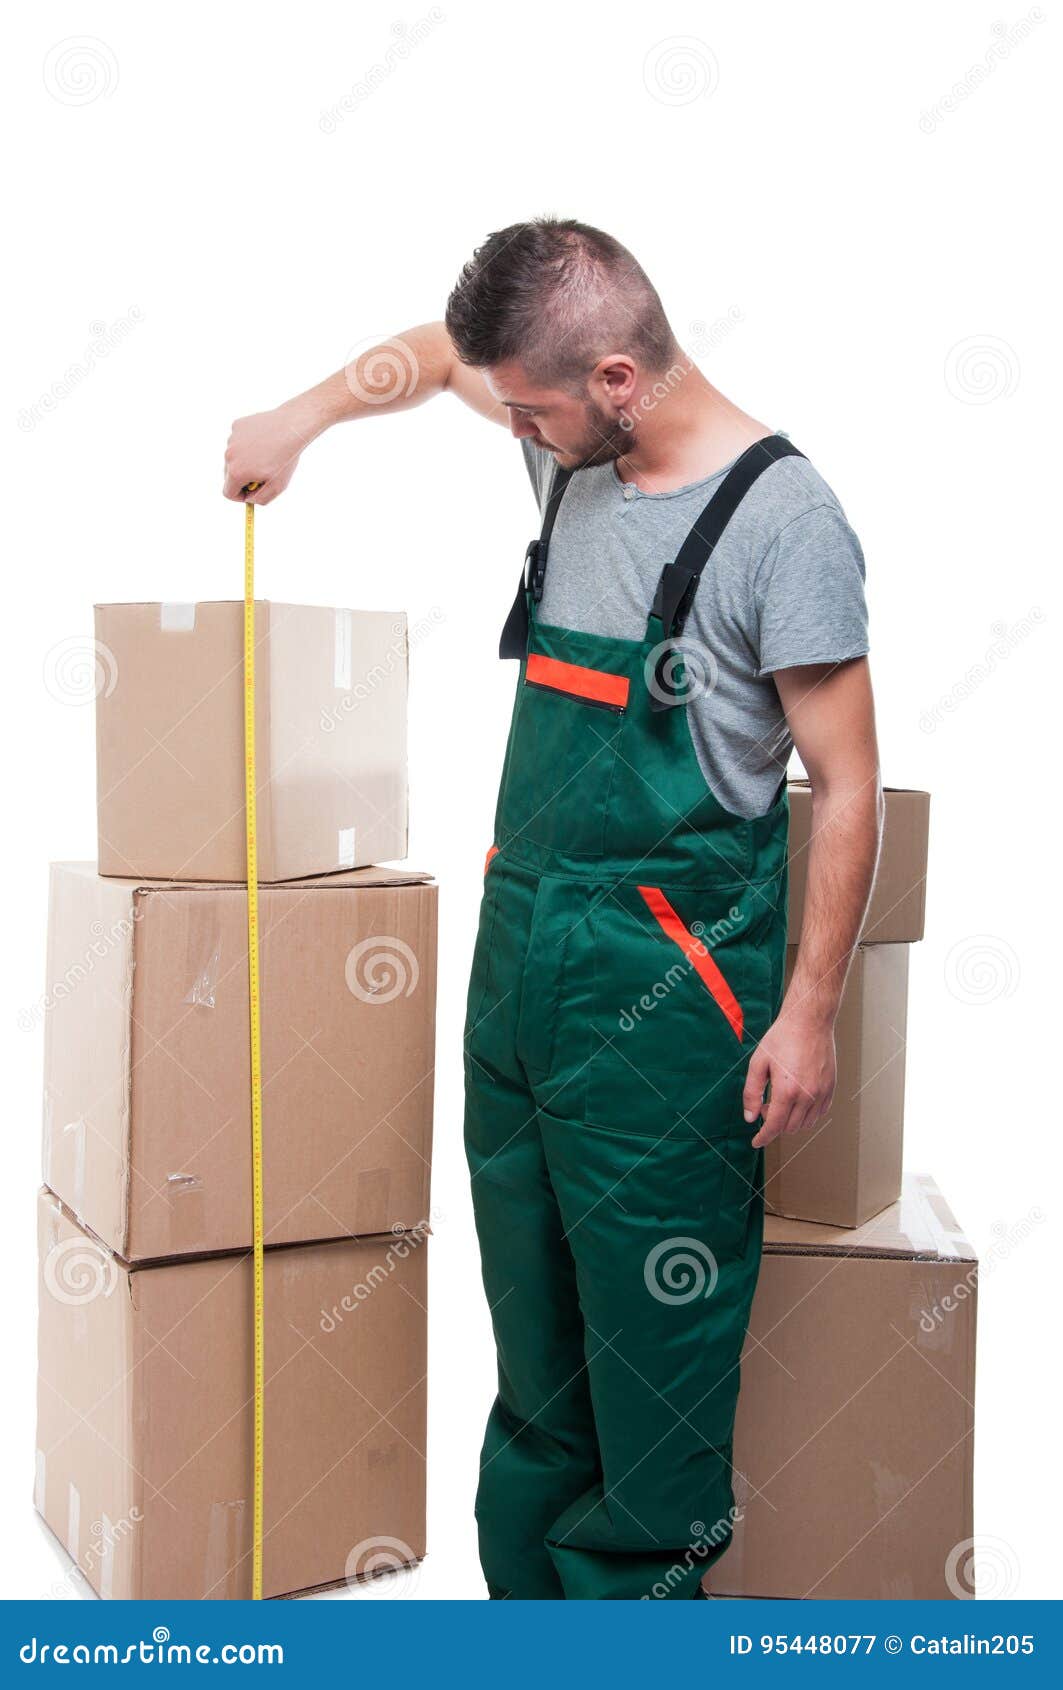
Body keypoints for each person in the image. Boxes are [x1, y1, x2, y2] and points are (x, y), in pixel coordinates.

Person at [223, 217, 882, 1600]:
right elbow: (430, 356)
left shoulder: (783, 520)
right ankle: (527, 1628)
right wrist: (302, 418)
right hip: (521, 979)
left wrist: (810, 1013)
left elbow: (850, 778)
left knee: (653, 1371)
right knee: (535, 1346)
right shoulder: (576, 446)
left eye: (533, 407)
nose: (515, 428)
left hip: (668, 1011)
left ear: (620, 378)